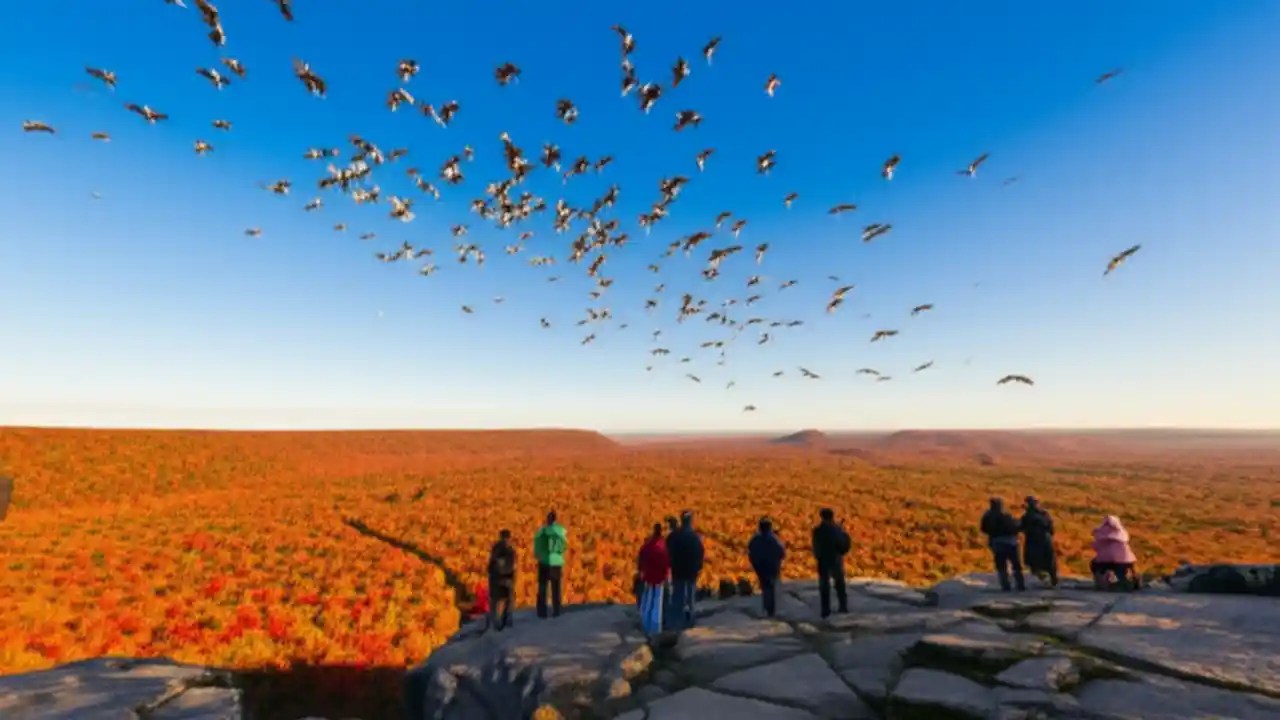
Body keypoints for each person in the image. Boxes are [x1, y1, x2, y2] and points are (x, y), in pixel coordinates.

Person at [666, 510, 705, 631]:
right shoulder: (695, 537)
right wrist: (698, 567)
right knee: (690, 597)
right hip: (691, 572)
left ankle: (675, 625)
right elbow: (700, 553)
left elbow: (667, 552)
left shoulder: (674, 536)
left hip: (677, 571)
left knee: (678, 596)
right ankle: (689, 623)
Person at [811, 508, 850, 618]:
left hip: (823, 561)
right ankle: (843, 606)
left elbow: (815, 547)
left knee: (824, 586)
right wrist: (843, 533)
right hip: (836, 560)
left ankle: (825, 609)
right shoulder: (836, 529)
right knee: (840, 585)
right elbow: (843, 545)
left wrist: (818, 556)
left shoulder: (817, 531)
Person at [981, 497, 1026, 592]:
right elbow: (1015, 528)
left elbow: (983, 529)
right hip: (1011, 542)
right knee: (1016, 564)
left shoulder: (988, 516)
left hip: (997, 542)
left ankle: (1005, 585)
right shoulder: (1006, 515)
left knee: (1001, 565)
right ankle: (1020, 584)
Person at [747, 517, 785, 617]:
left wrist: (755, 563)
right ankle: (770, 609)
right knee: (771, 587)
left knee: (765, 586)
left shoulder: (755, 539)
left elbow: (750, 551)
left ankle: (766, 607)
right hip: (772, 567)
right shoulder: (774, 539)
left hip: (760, 567)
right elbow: (782, 552)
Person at [533, 511, 568, 618]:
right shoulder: (561, 532)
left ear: (547, 519)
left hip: (544, 561)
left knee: (543, 587)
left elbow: (537, 546)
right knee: (556, 587)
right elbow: (564, 546)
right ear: (555, 519)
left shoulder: (542, 532)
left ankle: (542, 612)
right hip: (556, 562)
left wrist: (538, 555)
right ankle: (556, 611)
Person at [637, 523, 670, 635]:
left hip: (649, 577)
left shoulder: (648, 545)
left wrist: (641, 571)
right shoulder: (663, 546)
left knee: (648, 601)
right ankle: (655, 628)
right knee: (657, 603)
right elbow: (666, 563)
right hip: (660, 578)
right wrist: (666, 576)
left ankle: (645, 625)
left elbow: (641, 558)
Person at [1091, 515, 1141, 590]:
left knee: (1094, 564)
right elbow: (1126, 541)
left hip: (1104, 561)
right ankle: (1134, 582)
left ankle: (1100, 582)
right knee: (1130, 565)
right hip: (1123, 560)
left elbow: (1096, 546)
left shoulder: (1100, 532)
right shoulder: (1122, 533)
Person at [1019, 497, 1059, 587]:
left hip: (1033, 541)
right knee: (1049, 561)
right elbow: (1051, 528)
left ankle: (1044, 578)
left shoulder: (1027, 516)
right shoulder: (1044, 514)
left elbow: (1021, 527)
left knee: (1033, 562)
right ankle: (1053, 580)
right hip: (1046, 539)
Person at [487, 529, 517, 631]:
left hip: (495, 579)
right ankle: (506, 622)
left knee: (495, 601)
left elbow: (490, 566)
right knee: (508, 600)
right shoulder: (510, 550)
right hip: (506, 579)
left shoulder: (495, 549)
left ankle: (495, 624)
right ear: (509, 537)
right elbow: (512, 566)